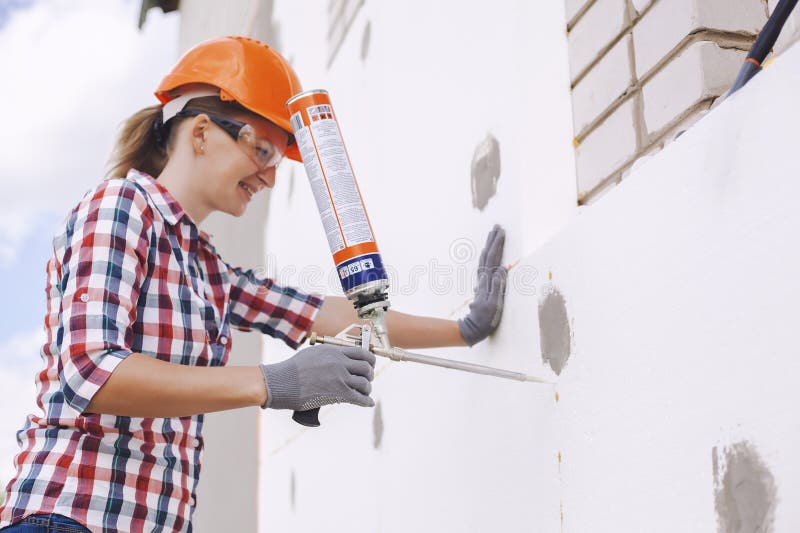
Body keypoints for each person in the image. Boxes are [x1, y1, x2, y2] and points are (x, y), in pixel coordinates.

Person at [0, 36, 507, 533]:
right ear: (201, 132)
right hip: (68, 516)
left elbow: (329, 315)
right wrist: (274, 383)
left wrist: (464, 328)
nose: (268, 177)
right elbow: (92, 372)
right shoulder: (119, 208)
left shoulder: (207, 270)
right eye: (262, 149)